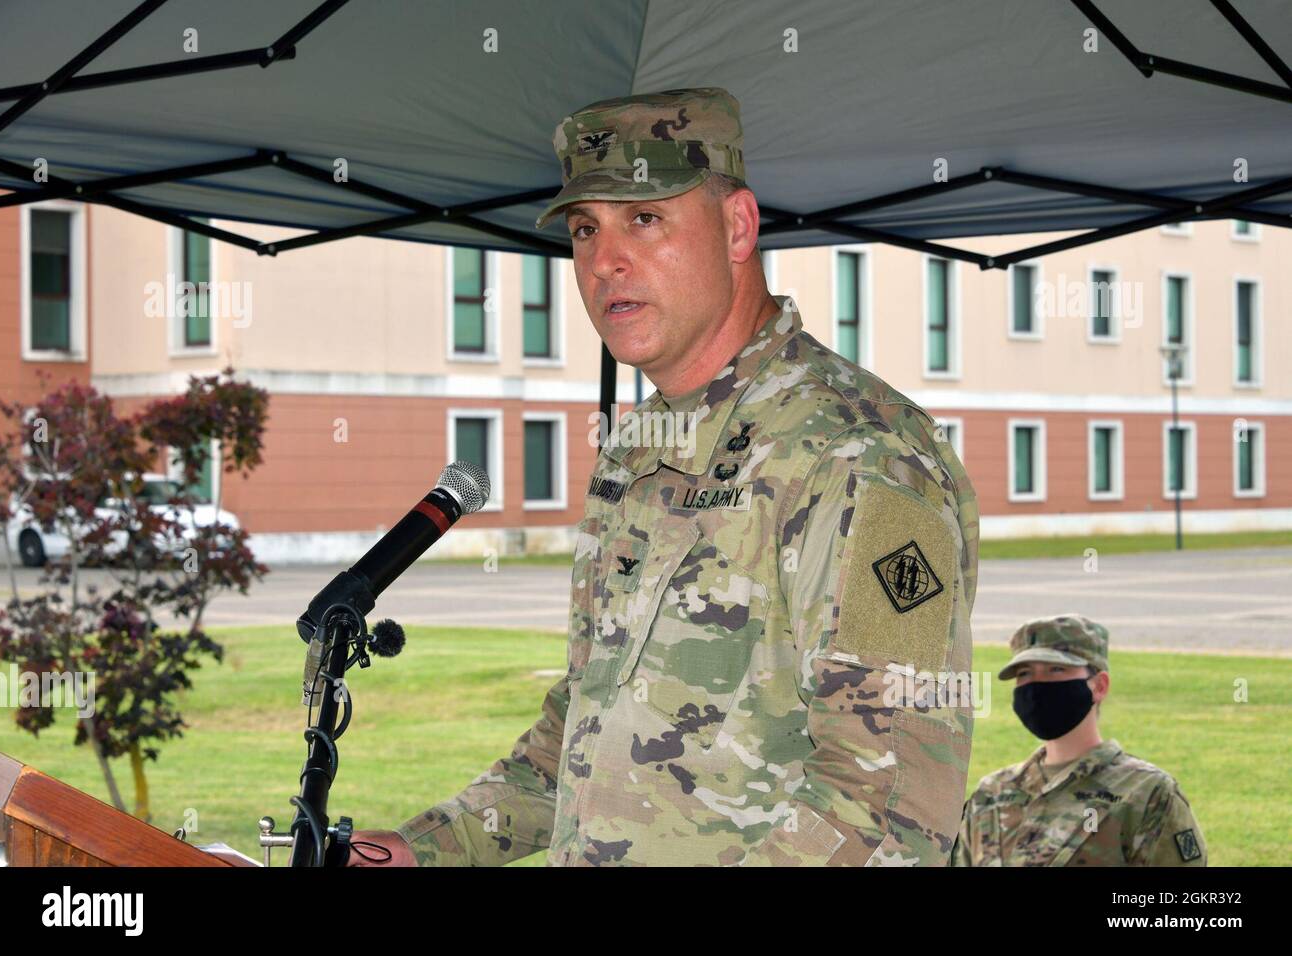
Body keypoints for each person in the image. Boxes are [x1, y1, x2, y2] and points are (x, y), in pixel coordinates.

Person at [350, 87, 978, 866]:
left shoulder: (861, 458)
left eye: (644, 219)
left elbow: (888, 810)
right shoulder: (639, 450)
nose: (604, 261)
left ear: (738, 225)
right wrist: (421, 850)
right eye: (585, 229)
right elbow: (579, 740)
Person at [951, 614, 1207, 866]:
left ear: (1099, 686)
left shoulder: (1146, 794)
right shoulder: (992, 794)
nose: (1037, 685)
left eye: (1056, 669)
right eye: (1025, 673)